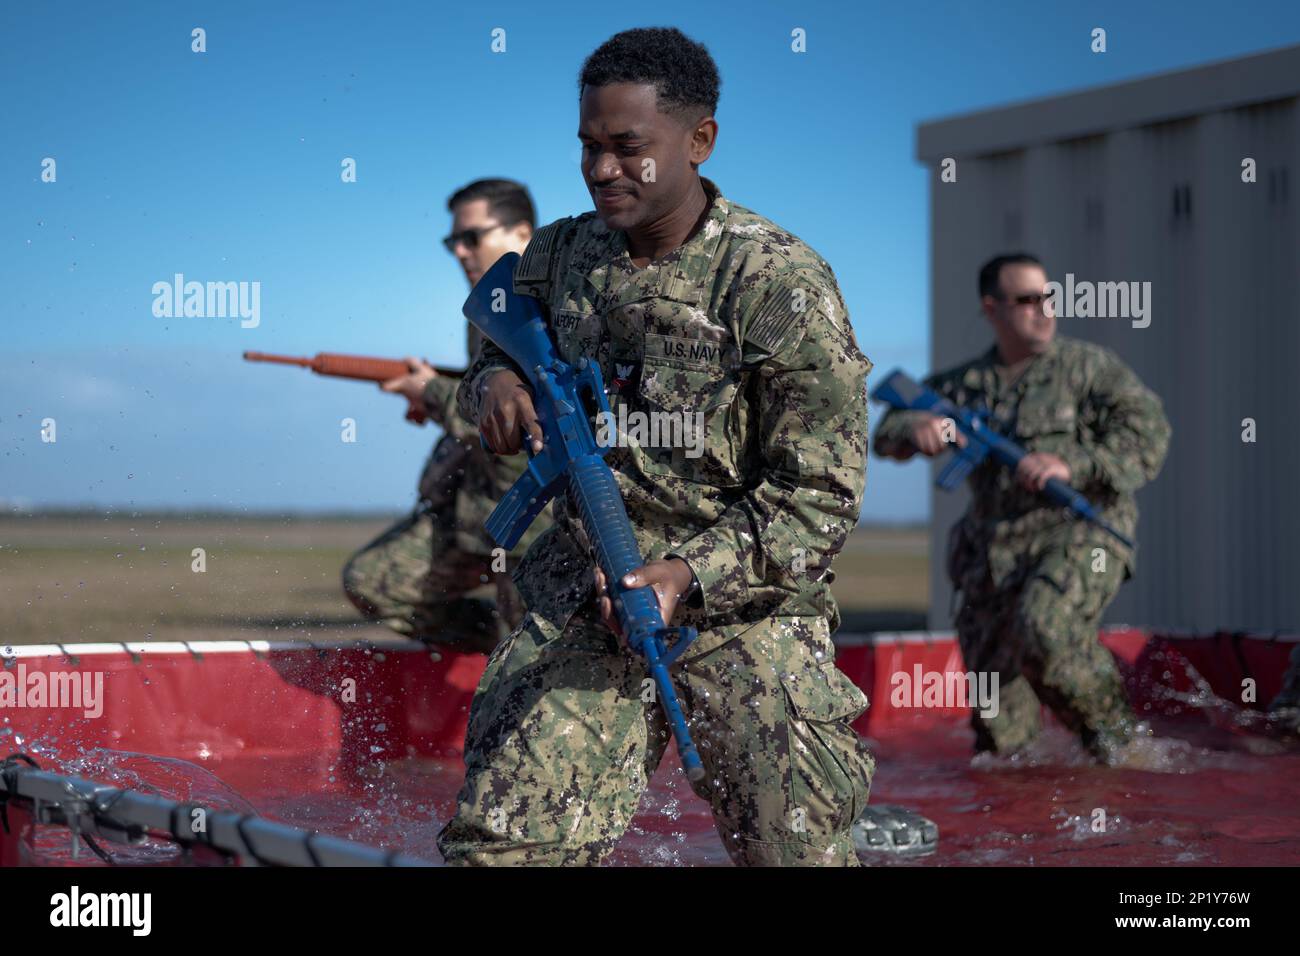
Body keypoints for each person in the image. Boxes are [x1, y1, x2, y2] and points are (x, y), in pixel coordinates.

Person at [437, 27, 875, 866]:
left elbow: (820, 495)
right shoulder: (561, 253)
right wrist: (495, 386)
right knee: (500, 851)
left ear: (699, 141)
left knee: (795, 851)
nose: (602, 170)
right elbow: (496, 346)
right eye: (589, 148)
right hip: (584, 598)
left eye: (628, 148)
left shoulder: (775, 281)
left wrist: (685, 577)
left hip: (743, 613)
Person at [874, 253, 1171, 763]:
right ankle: (1018, 804)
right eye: (1028, 300)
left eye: (1048, 297)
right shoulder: (966, 384)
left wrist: (1069, 464)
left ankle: (1121, 747)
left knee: (1045, 626)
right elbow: (887, 431)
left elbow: (1149, 434)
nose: (1045, 310)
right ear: (992, 309)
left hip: (1078, 532)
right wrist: (916, 432)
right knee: (997, 718)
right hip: (992, 555)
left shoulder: (1087, 369)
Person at [342, 180, 551, 654]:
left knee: (533, 668)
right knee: (372, 581)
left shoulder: (542, 306)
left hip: (539, 526)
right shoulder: (484, 312)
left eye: (471, 237)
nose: (459, 251)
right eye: (451, 241)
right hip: (483, 518)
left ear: (521, 232)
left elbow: (527, 415)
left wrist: (432, 392)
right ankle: (492, 647)